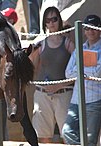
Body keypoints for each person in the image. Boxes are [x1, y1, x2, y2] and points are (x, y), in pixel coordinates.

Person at [30, 6, 75, 143]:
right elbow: (30, 68)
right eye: (48, 20)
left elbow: (80, 71)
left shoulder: (67, 43)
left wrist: (60, 85)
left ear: (59, 21)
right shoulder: (40, 44)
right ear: (44, 23)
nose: (51, 23)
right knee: (43, 136)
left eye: (54, 19)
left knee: (67, 136)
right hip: (42, 94)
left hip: (64, 93)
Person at [62, 14, 101, 146]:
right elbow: (68, 73)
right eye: (87, 28)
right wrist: (86, 68)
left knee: (90, 140)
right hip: (76, 100)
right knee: (66, 132)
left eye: (94, 28)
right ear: (83, 31)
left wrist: (79, 68)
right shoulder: (80, 48)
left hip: (95, 100)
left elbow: (97, 72)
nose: (90, 31)